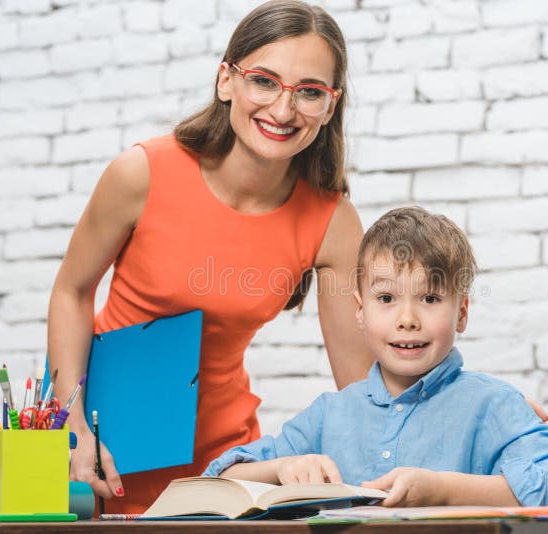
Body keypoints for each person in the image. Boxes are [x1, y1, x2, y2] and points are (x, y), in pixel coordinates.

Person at [47, 0, 374, 514]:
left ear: (330, 106)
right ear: (227, 80)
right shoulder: (142, 173)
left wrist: (467, 410)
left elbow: (361, 385)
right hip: (105, 449)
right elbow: (72, 290)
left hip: (229, 464)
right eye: (264, 81)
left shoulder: (331, 219)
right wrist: (69, 428)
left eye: (309, 92)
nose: (283, 111)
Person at [205, 206, 548, 508]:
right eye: (387, 299)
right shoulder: (330, 415)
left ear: (461, 312)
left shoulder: (491, 405)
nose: (407, 320)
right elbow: (216, 482)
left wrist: (444, 490)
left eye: (429, 298)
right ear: (360, 310)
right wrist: (278, 469)